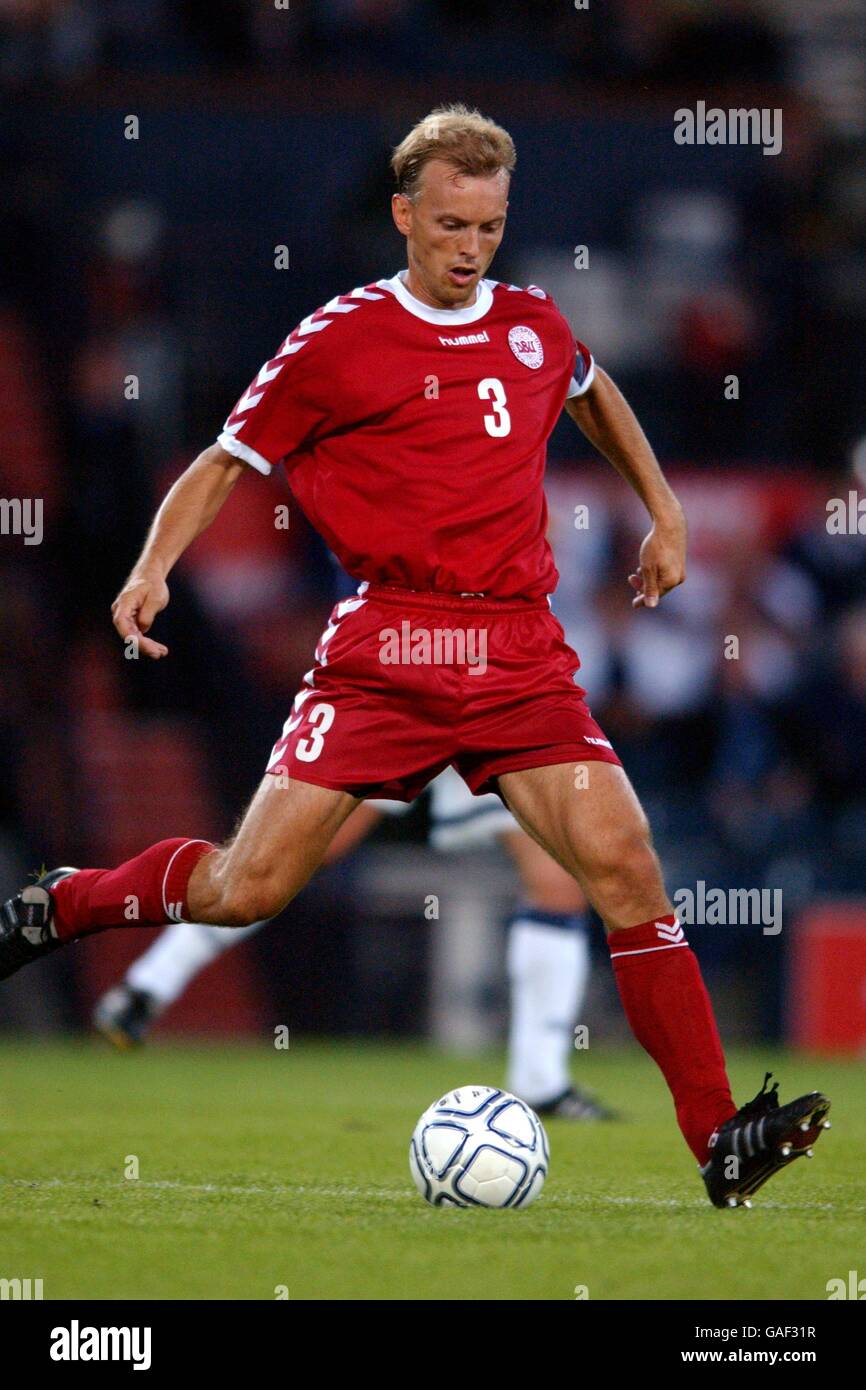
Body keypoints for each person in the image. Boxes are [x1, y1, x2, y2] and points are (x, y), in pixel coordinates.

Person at [1, 103, 829, 1206]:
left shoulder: (532, 325)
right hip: (388, 648)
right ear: (404, 215)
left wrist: (664, 510)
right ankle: (70, 903)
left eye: (487, 226)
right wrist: (152, 567)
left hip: (518, 651)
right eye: (449, 225)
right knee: (246, 889)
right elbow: (226, 459)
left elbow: (593, 393)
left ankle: (717, 1138)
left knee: (626, 866)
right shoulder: (337, 339)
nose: (469, 248)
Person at [93, 766, 616, 1121]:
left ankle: (540, 1080)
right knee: (289, 858)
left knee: (559, 882)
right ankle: (147, 986)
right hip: (408, 697)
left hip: (490, 705)